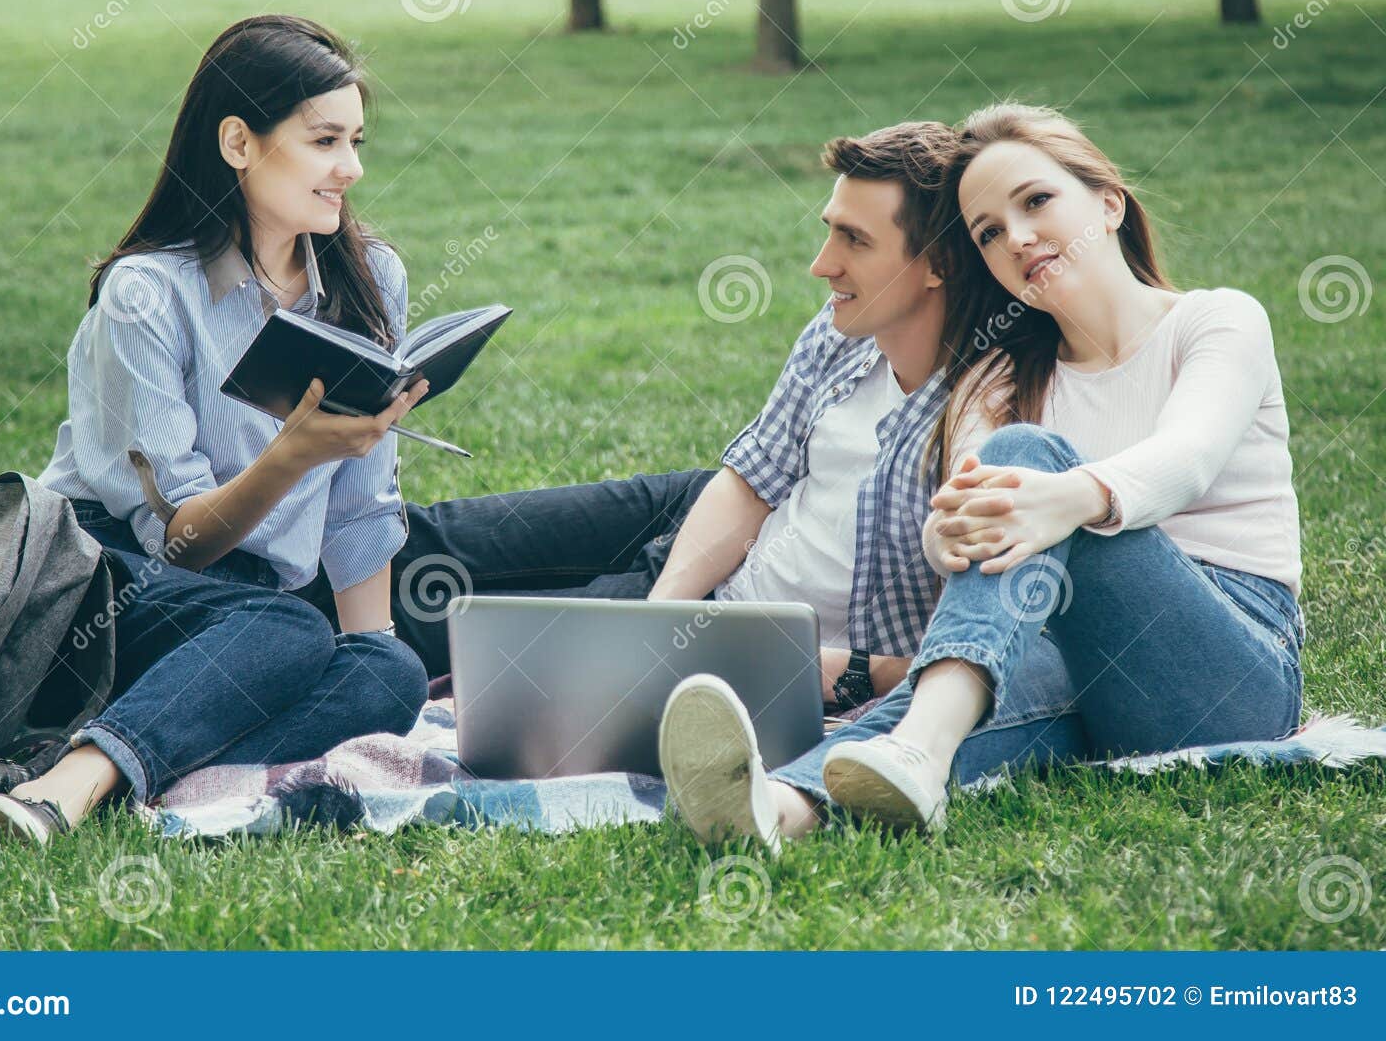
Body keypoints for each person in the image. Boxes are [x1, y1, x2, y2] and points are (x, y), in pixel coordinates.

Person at [658, 102, 1303, 850]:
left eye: (1036, 202)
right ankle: (783, 807)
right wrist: (951, 529)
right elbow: (951, 527)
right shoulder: (999, 373)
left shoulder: (1216, 322)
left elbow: (1186, 457)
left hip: (1230, 666)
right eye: (989, 232)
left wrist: (1060, 497)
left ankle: (918, 747)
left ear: (1108, 202)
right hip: (1086, 675)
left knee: (1026, 460)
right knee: (976, 687)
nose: (1018, 238)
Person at [0, 15, 430, 844]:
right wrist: (292, 453)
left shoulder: (372, 279)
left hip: (249, 605)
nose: (353, 167)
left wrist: (368, 649)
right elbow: (182, 541)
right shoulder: (147, 294)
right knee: (284, 627)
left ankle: (52, 773)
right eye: (326, 140)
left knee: (390, 670)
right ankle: (71, 787)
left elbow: (359, 508)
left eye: (357, 139)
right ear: (239, 142)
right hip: (105, 583)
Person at [338, 121, 972, 716]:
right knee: (436, 540)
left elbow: (962, 654)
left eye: (854, 240)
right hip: (704, 516)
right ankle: (252, 580)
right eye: (830, 229)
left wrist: (851, 670)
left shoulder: (986, 417)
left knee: (471, 640)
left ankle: (280, 643)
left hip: (738, 624)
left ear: (939, 264)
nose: (821, 263)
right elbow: (754, 479)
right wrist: (660, 612)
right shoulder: (844, 333)